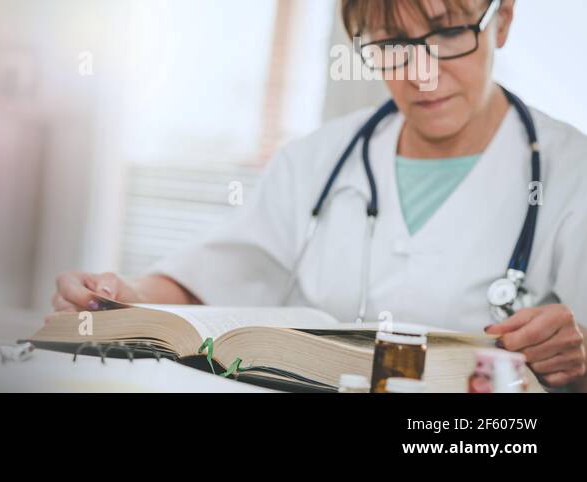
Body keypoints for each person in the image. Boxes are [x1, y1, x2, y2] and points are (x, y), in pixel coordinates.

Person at [52, 0, 586, 390]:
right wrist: (122, 294)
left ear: (504, 20)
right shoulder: (315, 158)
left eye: (448, 35)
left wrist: (578, 348)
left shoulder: (572, 170)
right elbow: (212, 277)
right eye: (393, 44)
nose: (421, 74)